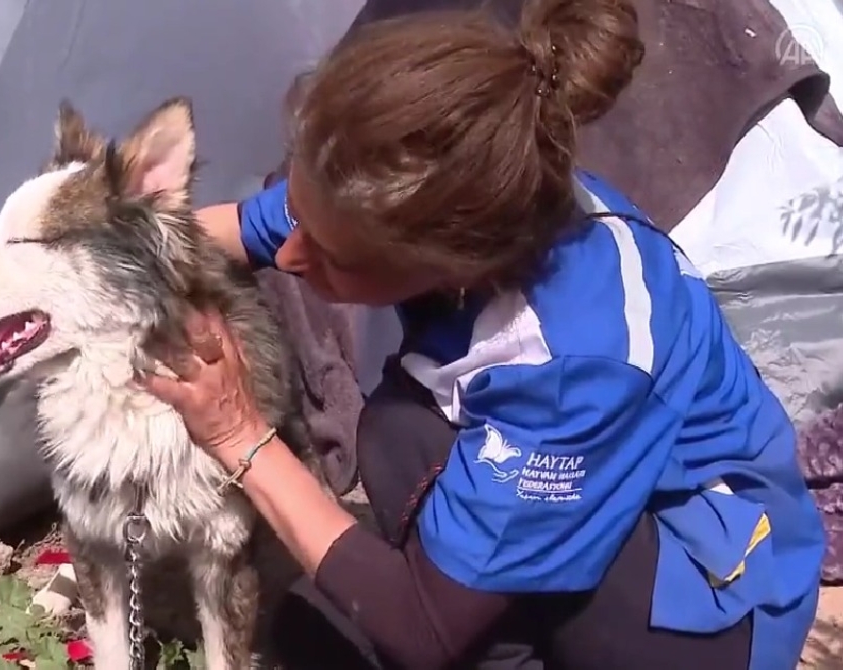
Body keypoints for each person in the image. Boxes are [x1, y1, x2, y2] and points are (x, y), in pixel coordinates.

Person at [134, 0, 825, 667]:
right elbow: (252, 229)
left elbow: (421, 629)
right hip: (614, 502)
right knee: (340, 575)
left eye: (330, 259)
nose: (289, 258)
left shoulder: (572, 363)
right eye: (302, 221)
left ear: (447, 259)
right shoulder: (408, 177)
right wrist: (114, 239)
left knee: (403, 477)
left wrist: (238, 435)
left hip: (715, 605)